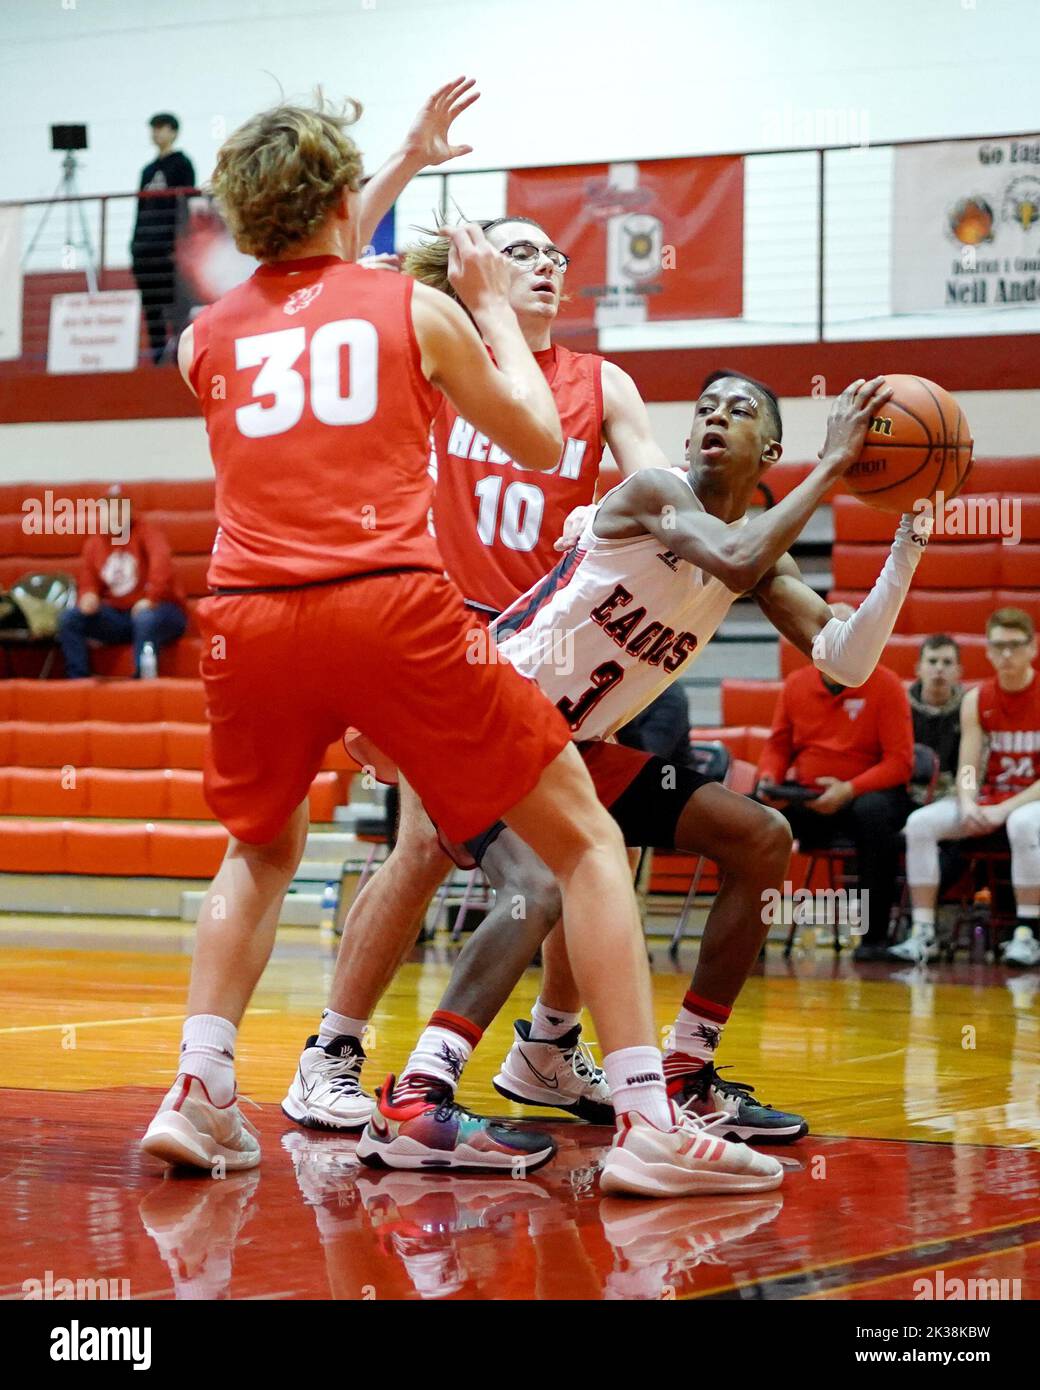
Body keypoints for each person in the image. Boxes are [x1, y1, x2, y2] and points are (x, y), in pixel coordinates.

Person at [139, 84, 782, 1201]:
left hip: (247, 618)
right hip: (396, 610)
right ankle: (643, 1115)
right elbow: (537, 434)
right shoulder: (415, 310)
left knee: (260, 850)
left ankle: (199, 1088)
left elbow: (304, 268)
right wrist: (484, 303)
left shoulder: (205, 338)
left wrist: (386, 172)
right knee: (581, 844)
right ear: (342, 198)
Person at [285, 212, 676, 1131]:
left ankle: (547, 1045)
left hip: (561, 647)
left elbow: (666, 483)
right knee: (427, 847)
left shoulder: (601, 383)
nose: (545, 265)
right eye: (522, 251)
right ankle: (334, 1051)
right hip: (448, 636)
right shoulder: (440, 354)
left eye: (556, 256)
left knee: (599, 847)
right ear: (477, 268)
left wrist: (644, 511)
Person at [756, 632, 915, 963]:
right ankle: (748, 935)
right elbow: (778, 745)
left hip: (867, 795)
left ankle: (874, 939)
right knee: (749, 813)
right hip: (810, 796)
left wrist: (849, 789)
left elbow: (899, 764)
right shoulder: (797, 684)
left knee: (873, 813)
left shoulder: (886, 684)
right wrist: (768, 777)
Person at [896, 608, 1040, 966]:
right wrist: (967, 801)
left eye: (1015, 645)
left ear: (1032, 648)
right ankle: (923, 932)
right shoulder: (977, 699)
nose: (1007, 654)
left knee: (1023, 822)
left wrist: (1002, 810)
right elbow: (968, 767)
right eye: (999, 646)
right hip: (992, 798)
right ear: (988, 650)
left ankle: (1027, 933)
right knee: (920, 824)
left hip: (1030, 800)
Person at [57, 510, 187, 677]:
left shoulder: (147, 532)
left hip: (162, 610)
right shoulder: (95, 543)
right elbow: (88, 580)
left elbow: (162, 567)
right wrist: (89, 595)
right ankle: (79, 680)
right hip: (121, 616)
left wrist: (151, 598)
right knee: (70, 619)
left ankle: (142, 680)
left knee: (145, 619)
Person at [131, 114, 196, 364]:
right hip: (144, 249)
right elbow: (140, 210)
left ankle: (181, 358)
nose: (156, 133)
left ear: (174, 132)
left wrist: (179, 244)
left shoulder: (182, 164)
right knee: (152, 309)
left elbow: (185, 206)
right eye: (153, 129)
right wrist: (134, 246)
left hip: (168, 248)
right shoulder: (146, 171)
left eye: (161, 128)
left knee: (177, 307)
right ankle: (158, 359)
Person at [908, 633, 965, 804]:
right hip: (907, 791)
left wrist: (967, 793)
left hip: (956, 794)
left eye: (947, 662)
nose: (939, 668)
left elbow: (972, 765)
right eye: (932, 661)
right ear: (918, 669)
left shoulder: (970, 708)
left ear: (959, 671)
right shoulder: (900, 706)